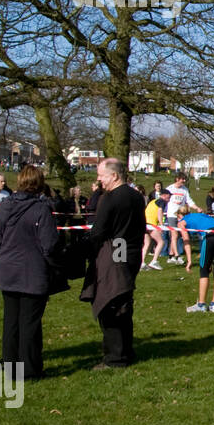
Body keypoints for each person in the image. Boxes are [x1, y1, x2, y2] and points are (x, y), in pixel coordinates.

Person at [0, 165, 60, 380]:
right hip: (32, 270)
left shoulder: (5, 206)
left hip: (9, 269)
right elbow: (49, 244)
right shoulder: (41, 209)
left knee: (11, 321)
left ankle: (11, 366)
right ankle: (29, 369)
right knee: (29, 322)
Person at [80, 158, 145, 369]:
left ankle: (115, 355)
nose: (99, 180)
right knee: (124, 300)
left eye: (101, 175)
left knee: (112, 300)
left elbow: (98, 231)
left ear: (114, 175)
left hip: (116, 250)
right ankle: (125, 349)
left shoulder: (110, 199)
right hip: (133, 250)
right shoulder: (137, 196)